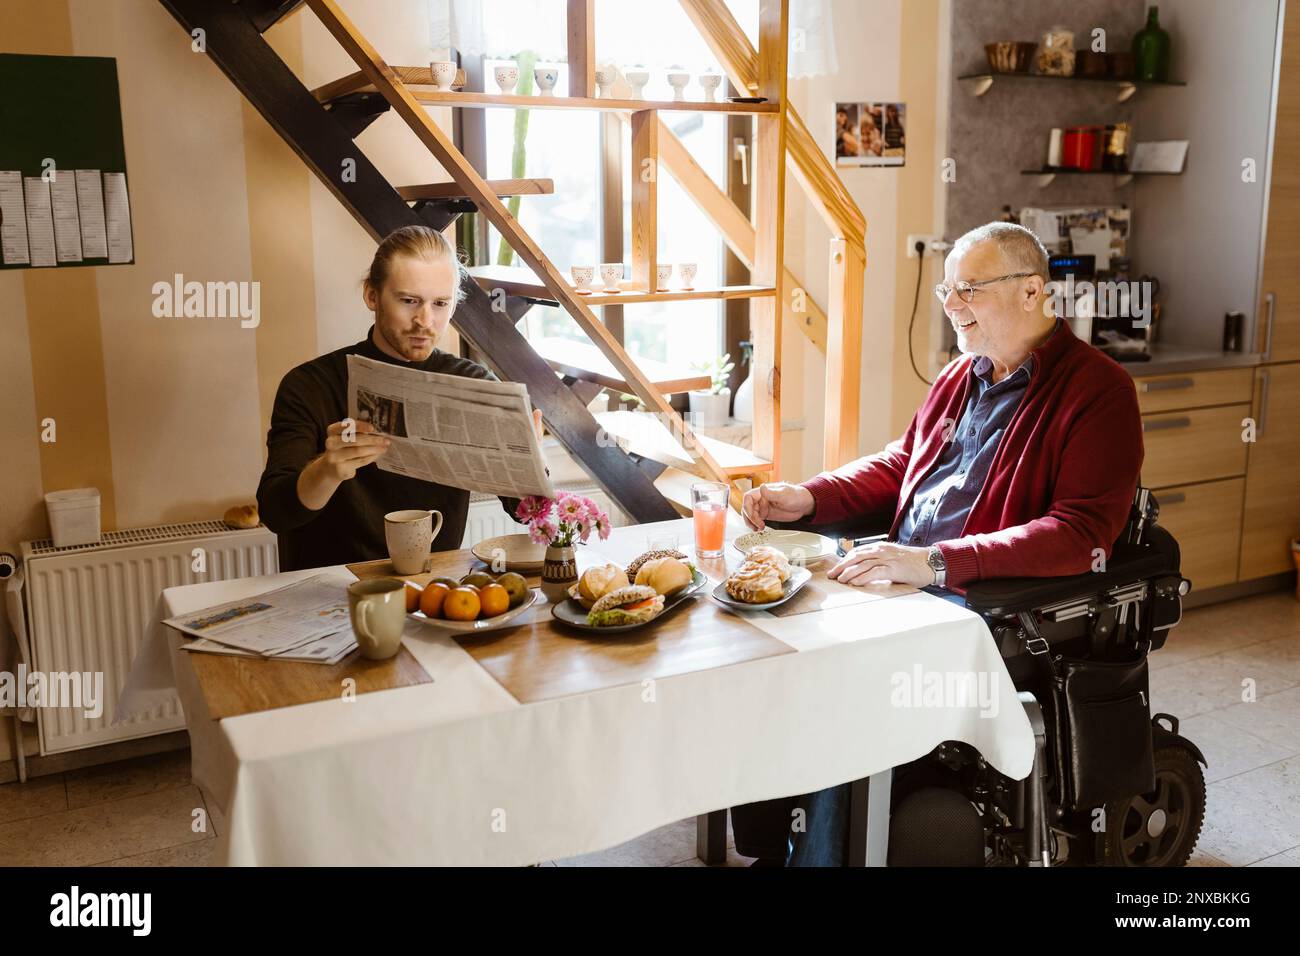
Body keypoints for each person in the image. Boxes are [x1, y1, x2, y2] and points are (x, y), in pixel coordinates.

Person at [732, 221, 1144, 866]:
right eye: (949, 289)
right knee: (763, 640)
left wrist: (935, 561)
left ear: (1032, 291)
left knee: (842, 681)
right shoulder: (962, 375)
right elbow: (902, 465)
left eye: (970, 289)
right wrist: (811, 498)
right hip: (902, 576)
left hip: (984, 605)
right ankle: (772, 845)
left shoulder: (1098, 390)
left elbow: (1080, 533)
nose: (951, 305)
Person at [256, 225, 542, 572]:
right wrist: (327, 470)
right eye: (409, 301)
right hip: (334, 593)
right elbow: (275, 513)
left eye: (441, 304)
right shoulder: (309, 384)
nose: (425, 321)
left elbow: (527, 514)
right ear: (372, 296)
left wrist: (531, 467)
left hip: (433, 591)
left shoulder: (472, 382)